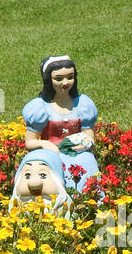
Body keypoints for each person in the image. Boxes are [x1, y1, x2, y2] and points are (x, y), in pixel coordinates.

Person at [21, 55, 100, 192]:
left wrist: (85, 143)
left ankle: (89, 197)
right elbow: (29, 142)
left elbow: (89, 134)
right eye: (58, 79)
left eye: (70, 77)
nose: (65, 82)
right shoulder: (41, 108)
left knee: (88, 161)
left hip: (78, 153)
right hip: (51, 154)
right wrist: (43, 144)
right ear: (48, 80)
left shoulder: (82, 104)